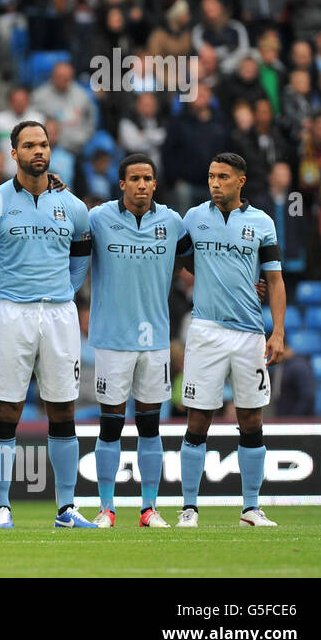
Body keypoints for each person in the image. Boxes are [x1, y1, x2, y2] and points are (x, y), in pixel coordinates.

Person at [0, 120, 95, 529]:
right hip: (10, 313)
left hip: (59, 314)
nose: (38, 151)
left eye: (43, 144)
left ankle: (66, 509)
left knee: (63, 408)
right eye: (29, 145)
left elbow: (80, 262)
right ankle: (2, 507)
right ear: (14, 153)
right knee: (7, 408)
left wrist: (64, 294)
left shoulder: (74, 206)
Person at [177, 153, 285, 528]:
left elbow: (274, 279)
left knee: (251, 419)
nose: (215, 182)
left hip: (249, 333)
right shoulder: (193, 218)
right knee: (198, 419)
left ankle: (251, 508)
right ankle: (189, 508)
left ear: (240, 181)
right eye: (211, 176)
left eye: (223, 176)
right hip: (206, 330)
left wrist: (279, 331)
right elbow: (184, 260)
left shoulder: (262, 223)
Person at [87, 154, 191, 529]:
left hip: (155, 341)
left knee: (150, 426)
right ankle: (106, 508)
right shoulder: (98, 219)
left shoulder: (172, 223)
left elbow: (195, 264)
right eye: (135, 179)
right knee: (110, 426)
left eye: (148, 178)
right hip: (112, 339)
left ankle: (149, 508)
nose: (142, 185)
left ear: (155, 184)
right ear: (121, 184)